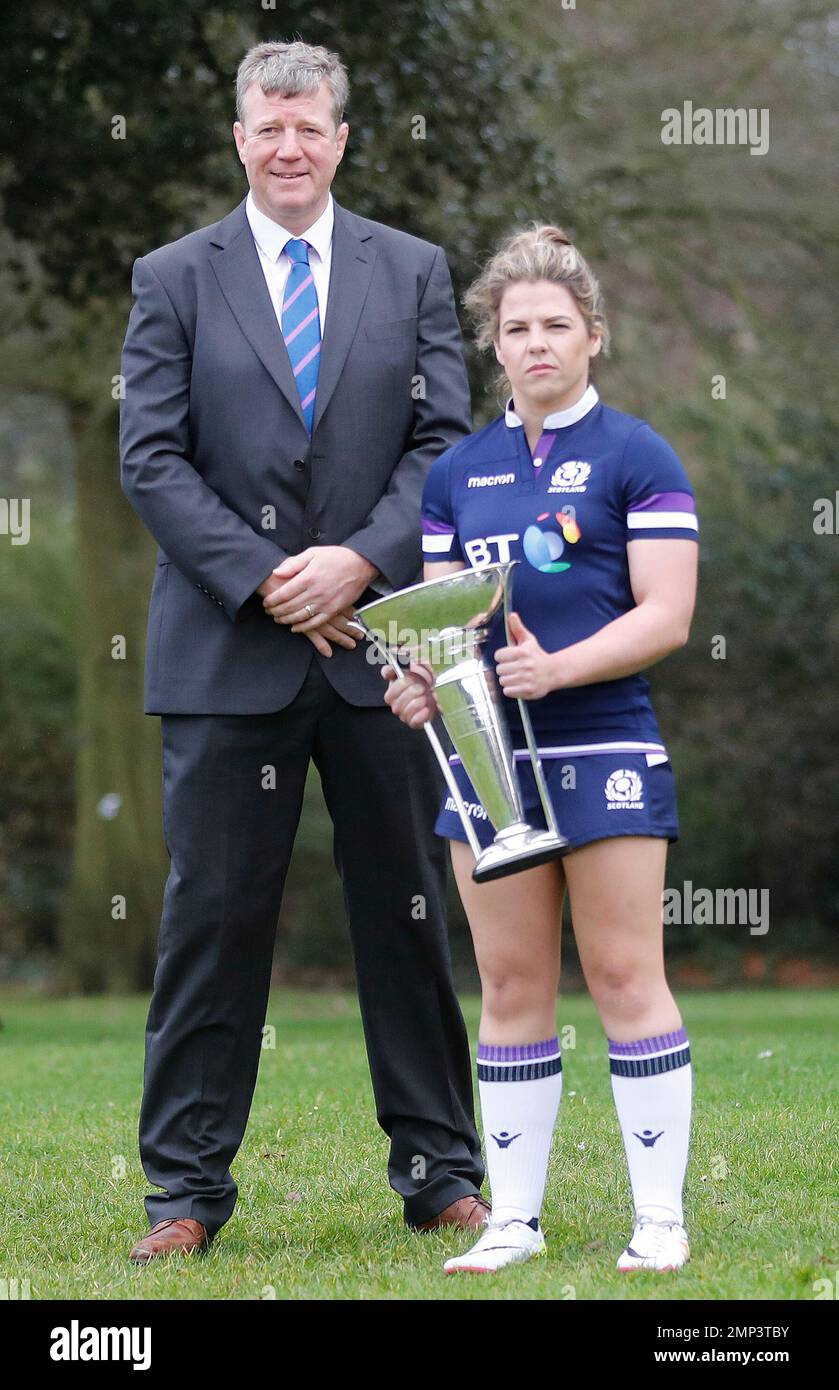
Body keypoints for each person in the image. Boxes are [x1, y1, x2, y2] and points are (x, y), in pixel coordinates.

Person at [119, 39, 489, 1264]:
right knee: (211, 919)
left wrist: (360, 562)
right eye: (268, 127)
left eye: (310, 127)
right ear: (240, 138)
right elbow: (151, 459)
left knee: (404, 912)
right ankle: (184, 1189)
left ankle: (440, 1169)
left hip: (384, 656)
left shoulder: (416, 270)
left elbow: (444, 443)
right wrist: (272, 579)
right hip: (228, 653)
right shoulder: (173, 276)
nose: (289, 147)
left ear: (341, 138)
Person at [384, 223, 700, 1275]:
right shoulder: (455, 475)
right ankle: (511, 1220)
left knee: (620, 974)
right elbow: (440, 624)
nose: (534, 344)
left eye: (554, 326)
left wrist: (558, 671)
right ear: (492, 343)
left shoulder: (636, 454)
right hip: (486, 765)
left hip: (603, 742)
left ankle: (656, 1218)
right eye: (514, 328)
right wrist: (419, 682)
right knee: (511, 984)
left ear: (592, 337)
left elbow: (665, 616)